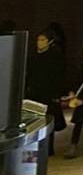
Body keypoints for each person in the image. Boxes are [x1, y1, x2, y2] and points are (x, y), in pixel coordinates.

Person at [27, 23, 67, 155]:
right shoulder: (33, 56)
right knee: (35, 120)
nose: (39, 42)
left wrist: (59, 93)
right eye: (38, 40)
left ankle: (48, 148)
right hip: (35, 92)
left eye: (43, 40)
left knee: (48, 120)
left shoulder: (55, 56)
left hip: (49, 93)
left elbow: (60, 75)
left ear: (50, 41)